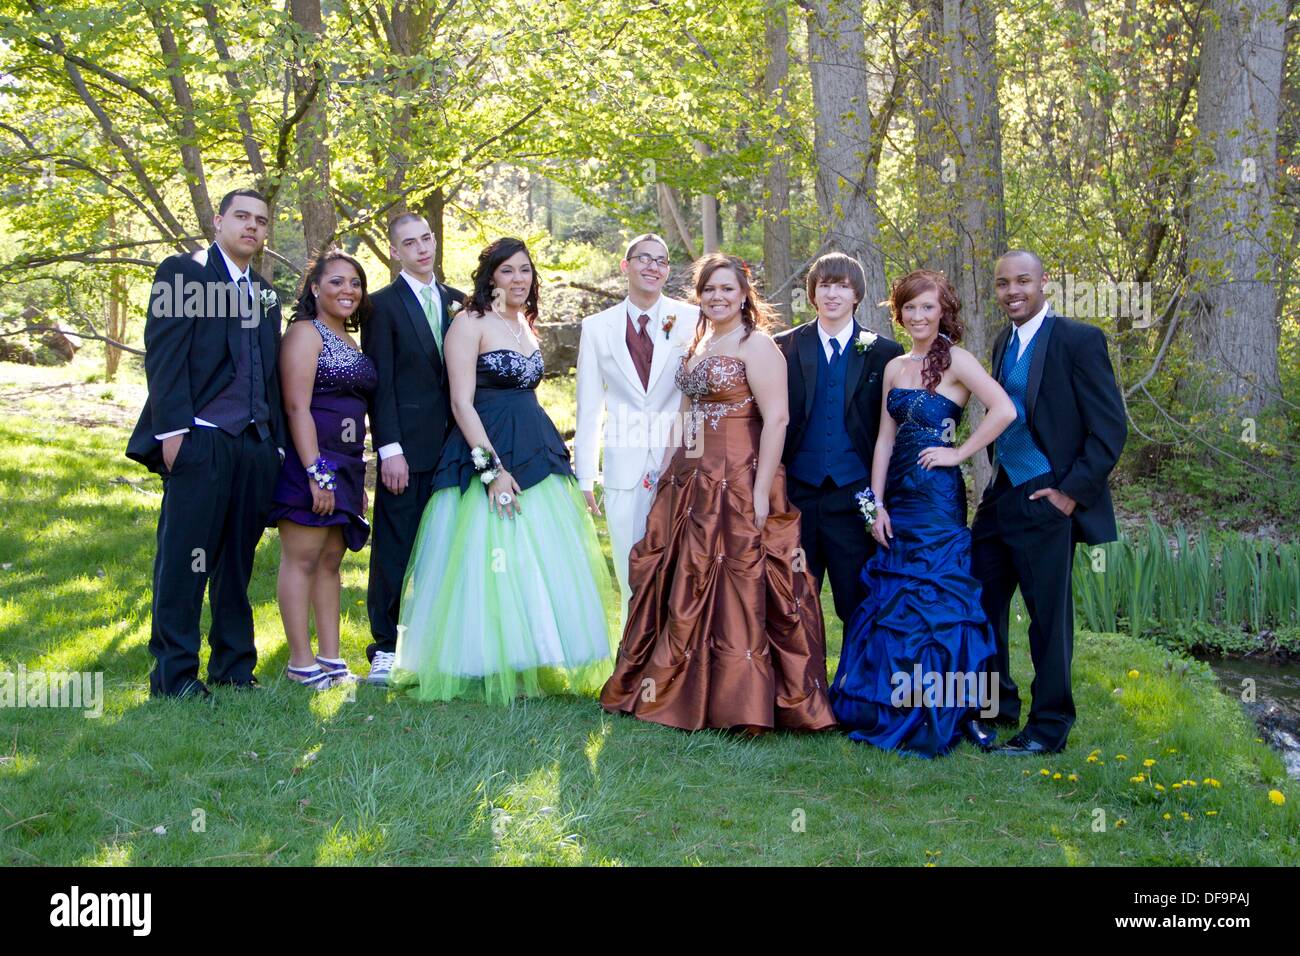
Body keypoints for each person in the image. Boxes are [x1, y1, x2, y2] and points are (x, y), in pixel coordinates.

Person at [600, 253, 835, 733]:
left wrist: (760, 486)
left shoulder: (758, 345)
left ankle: (743, 700)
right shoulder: (700, 343)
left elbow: (777, 420)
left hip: (740, 472)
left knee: (740, 577)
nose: (718, 297)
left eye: (727, 289)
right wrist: (668, 471)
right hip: (693, 476)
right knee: (685, 574)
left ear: (743, 293)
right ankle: (681, 689)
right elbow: (685, 417)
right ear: (699, 296)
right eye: (709, 290)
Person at [391, 238, 614, 703]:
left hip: (536, 446)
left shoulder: (525, 325)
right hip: (486, 444)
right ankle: (481, 656)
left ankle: (536, 649)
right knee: (490, 553)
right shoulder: (469, 322)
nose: (519, 279)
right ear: (491, 274)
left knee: (542, 551)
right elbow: (460, 402)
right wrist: (490, 470)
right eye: (509, 270)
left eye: (526, 271)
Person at [830, 270, 1016, 756]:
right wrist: (874, 507)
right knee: (896, 598)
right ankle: (892, 705)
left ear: (943, 312)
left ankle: (957, 712)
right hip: (896, 499)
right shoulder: (894, 365)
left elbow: (1004, 410)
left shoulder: (956, 359)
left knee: (941, 602)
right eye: (909, 308)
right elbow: (884, 443)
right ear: (899, 312)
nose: (918, 316)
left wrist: (959, 453)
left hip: (937, 499)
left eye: (927, 308)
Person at [126, 188, 287, 698]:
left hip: (255, 444)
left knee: (237, 561)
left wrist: (276, 444)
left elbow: (270, 373)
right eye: (241, 216)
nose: (252, 227)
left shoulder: (265, 293)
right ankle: (174, 677)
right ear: (218, 220)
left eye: (260, 221)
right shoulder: (184, 273)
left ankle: (234, 668)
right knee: (185, 558)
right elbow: (164, 355)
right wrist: (173, 433)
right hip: (201, 437)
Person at [973, 250, 1126, 755]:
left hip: (1045, 499)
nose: (1012, 291)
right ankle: (996, 706)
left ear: (1043, 283)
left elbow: (1108, 429)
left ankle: (1050, 725)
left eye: (1022, 281)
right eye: (1002, 283)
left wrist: (1069, 495)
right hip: (1001, 495)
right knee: (982, 603)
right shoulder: (1002, 341)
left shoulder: (1078, 340)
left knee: (1047, 620)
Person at [362, 213, 466, 685]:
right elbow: (378, 385)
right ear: (396, 252)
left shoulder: (459, 303)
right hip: (406, 450)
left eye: (426, 238)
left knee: (446, 547)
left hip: (454, 448)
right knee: (395, 548)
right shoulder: (381, 306)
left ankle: (436, 642)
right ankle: (384, 646)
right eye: (411, 243)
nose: (423, 248)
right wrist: (389, 449)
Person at [574, 233, 698, 626]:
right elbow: (589, 406)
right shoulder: (597, 328)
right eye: (643, 259)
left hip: (679, 460)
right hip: (622, 464)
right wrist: (584, 476)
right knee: (631, 568)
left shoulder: (690, 319)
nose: (652, 266)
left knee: (680, 568)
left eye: (661, 261)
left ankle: (675, 662)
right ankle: (633, 660)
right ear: (626, 267)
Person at [775, 253, 903, 631]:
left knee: (858, 601)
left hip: (855, 495)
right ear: (812, 293)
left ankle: (852, 686)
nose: (832, 294)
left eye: (842, 286)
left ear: (857, 295)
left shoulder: (884, 352)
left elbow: (890, 431)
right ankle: (803, 688)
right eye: (825, 285)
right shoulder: (785, 346)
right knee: (795, 601)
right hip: (798, 493)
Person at [269, 249, 377, 689]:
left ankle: (331, 659)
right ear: (315, 288)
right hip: (311, 461)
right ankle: (300, 662)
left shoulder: (352, 340)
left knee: (332, 559)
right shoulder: (304, 333)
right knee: (303, 557)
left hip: (348, 462)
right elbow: (296, 407)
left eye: (354, 282)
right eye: (336, 281)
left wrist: (354, 473)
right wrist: (317, 472)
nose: (347, 290)